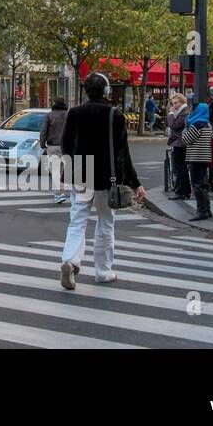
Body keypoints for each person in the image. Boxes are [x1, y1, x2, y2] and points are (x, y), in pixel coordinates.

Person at [58, 73, 144, 289]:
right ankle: (103, 272)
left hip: (80, 175)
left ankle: (70, 261)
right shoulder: (115, 115)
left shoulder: (75, 112)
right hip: (108, 178)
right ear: (107, 91)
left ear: (86, 90)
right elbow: (123, 152)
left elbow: (66, 145)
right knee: (106, 224)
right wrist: (135, 182)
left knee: (77, 221)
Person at [181, 102, 213, 221]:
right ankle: (207, 209)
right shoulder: (207, 124)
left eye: (192, 109)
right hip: (205, 158)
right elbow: (212, 140)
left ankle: (202, 211)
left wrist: (185, 129)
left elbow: (186, 140)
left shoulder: (196, 125)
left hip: (196, 157)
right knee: (203, 184)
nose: (190, 111)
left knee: (197, 184)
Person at [38, 97, 70, 203]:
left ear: (54, 104)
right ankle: (62, 192)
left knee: (55, 170)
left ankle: (59, 194)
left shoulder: (50, 115)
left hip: (53, 146)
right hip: (66, 147)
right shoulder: (69, 114)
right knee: (63, 170)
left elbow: (43, 131)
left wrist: (42, 144)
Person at [165, 92, 191, 199]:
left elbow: (174, 125)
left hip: (180, 143)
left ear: (182, 102)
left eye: (176, 103)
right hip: (179, 142)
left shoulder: (184, 112)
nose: (174, 105)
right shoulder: (182, 111)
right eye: (172, 103)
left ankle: (181, 191)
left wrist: (171, 114)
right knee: (181, 167)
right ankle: (185, 190)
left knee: (179, 167)